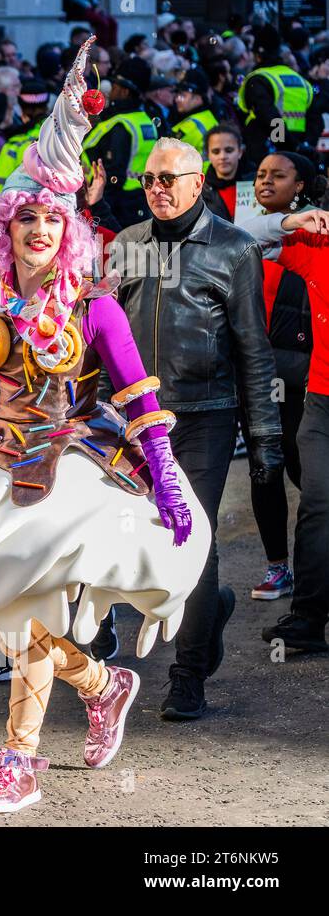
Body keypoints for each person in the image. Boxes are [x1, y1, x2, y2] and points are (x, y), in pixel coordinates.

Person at [0, 41, 207, 813]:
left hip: (71, 466)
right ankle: (101, 682)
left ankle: (18, 760)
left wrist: (166, 481)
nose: (38, 230)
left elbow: (140, 401)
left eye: (51, 219)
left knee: (22, 614)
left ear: (70, 232)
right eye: (25, 217)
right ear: (5, 228)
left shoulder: (97, 308)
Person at [109, 137, 283, 720]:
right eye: (148, 180)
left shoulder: (234, 249)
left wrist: (265, 437)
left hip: (205, 416)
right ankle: (213, 615)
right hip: (134, 419)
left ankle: (187, 678)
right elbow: (105, 333)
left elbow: (254, 350)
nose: (156, 189)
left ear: (197, 181)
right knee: (140, 541)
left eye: (167, 179)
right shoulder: (127, 246)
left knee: (194, 542)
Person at [240, 153, 319, 602]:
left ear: (302, 184)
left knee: (301, 466)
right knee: (263, 468)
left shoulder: (314, 234)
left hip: (302, 374)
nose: (266, 180)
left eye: (278, 175)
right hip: (256, 371)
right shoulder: (249, 232)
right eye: (262, 174)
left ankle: (314, 568)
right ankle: (277, 568)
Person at [257, 208, 329, 652]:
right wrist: (289, 222)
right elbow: (242, 240)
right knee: (319, 505)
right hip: (320, 402)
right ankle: (308, 618)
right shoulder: (317, 247)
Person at [83, 55, 159, 226]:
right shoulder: (144, 120)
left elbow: (114, 172)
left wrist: (99, 209)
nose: (111, 91)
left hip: (115, 207)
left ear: (125, 91)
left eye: (115, 87)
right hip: (139, 202)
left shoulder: (120, 125)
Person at [238, 25, 311, 159]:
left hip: (267, 151)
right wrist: (305, 146)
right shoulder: (300, 79)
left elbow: (270, 116)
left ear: (258, 55)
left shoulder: (259, 79)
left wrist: (287, 145)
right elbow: (314, 119)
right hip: (299, 154)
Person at [0, 80, 50, 204]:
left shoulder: (15, 144)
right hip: (58, 214)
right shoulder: (63, 137)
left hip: (23, 214)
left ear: (21, 109)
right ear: (47, 106)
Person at [201, 123, 254, 221]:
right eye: (216, 152)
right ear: (208, 155)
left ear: (240, 152)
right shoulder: (199, 192)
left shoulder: (258, 183)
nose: (223, 157)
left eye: (229, 150)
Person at [172, 68, 218, 159]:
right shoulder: (208, 116)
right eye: (177, 95)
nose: (177, 99)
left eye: (183, 96)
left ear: (198, 98)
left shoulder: (191, 125)